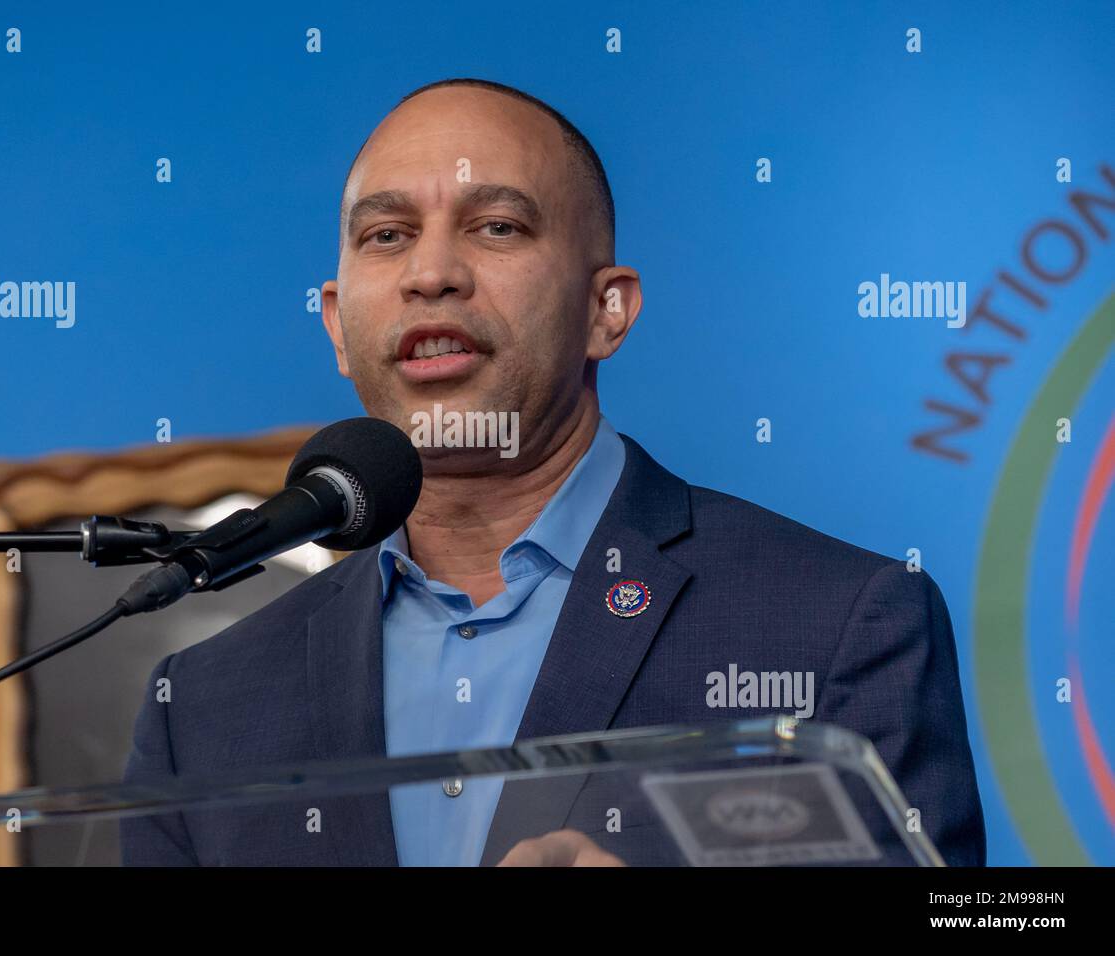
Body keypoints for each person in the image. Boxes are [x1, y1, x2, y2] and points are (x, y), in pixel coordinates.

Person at [121, 77, 986, 867]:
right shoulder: (201, 709)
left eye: (498, 226)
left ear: (606, 310)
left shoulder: (839, 627)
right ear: (339, 326)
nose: (432, 274)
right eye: (388, 236)